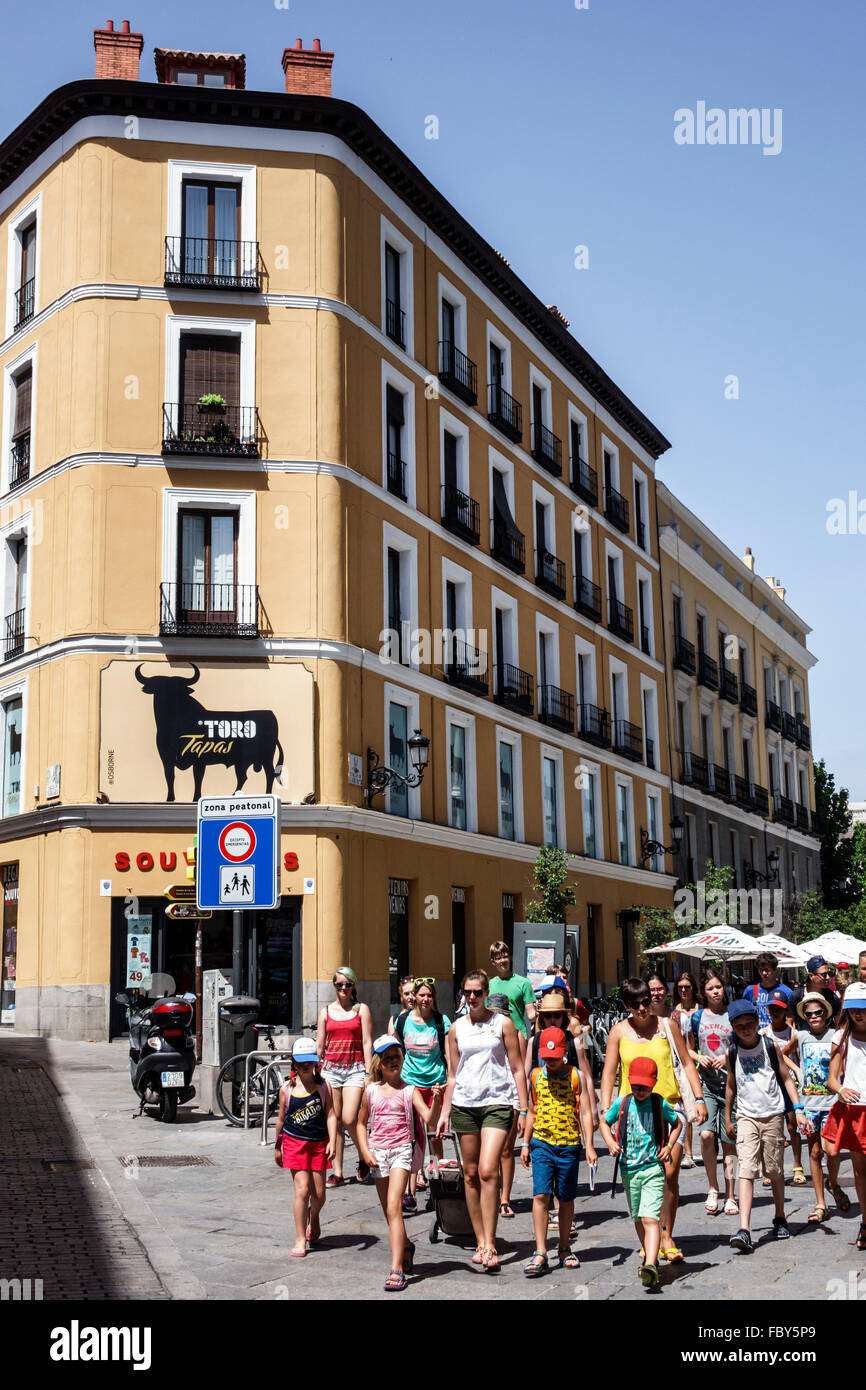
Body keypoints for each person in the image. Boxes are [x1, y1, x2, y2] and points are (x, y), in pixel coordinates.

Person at [601, 976, 707, 1264]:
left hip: (668, 1106)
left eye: (646, 1001)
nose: (643, 1008)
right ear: (626, 1004)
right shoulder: (618, 1032)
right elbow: (609, 1073)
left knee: (669, 1174)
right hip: (633, 1113)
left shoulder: (667, 1027)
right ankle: (652, 1235)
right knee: (641, 1177)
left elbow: (686, 1062)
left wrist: (698, 1098)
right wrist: (606, 1112)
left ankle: (666, 1234)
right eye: (636, 1004)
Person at [437, 969, 529, 1272]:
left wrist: (524, 1108)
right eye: (468, 993)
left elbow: (517, 1068)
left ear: (487, 993)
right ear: (462, 995)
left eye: (478, 992)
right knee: (471, 1173)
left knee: (489, 1170)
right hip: (465, 1104)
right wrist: (445, 1112)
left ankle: (490, 1242)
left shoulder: (502, 1024)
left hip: (498, 1103)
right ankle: (479, 1240)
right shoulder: (455, 1029)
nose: (473, 997)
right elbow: (452, 1074)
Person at [724, 999, 809, 1253]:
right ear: (733, 1028)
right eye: (740, 1027)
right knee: (746, 1169)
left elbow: (786, 1077)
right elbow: (731, 1086)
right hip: (746, 1116)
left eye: (750, 1024)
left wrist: (798, 1108)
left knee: (774, 1170)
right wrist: (728, 1117)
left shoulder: (770, 1045)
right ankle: (745, 1229)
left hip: (773, 1114)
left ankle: (780, 1216)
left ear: (757, 1023)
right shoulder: (732, 1051)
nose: (746, 1030)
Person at [356, 1035, 432, 1291]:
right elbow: (359, 1123)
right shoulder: (371, 1091)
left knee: (393, 1206)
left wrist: (439, 1098)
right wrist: (364, 1151)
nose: (392, 1062)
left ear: (402, 1059)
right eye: (387, 1058)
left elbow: (429, 1118)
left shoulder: (409, 1090)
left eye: (396, 1057)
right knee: (390, 1213)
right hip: (378, 1153)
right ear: (378, 1064)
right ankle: (407, 1247)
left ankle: (396, 1268)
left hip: (401, 1151)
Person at [600, 1056, 682, 1292]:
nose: (640, 1091)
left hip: (653, 1168)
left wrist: (668, 1147)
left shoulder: (659, 1103)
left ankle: (650, 1264)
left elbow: (677, 1124)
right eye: (636, 1086)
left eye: (645, 1087)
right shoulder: (623, 1103)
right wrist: (610, 1143)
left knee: (650, 1218)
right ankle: (650, 1254)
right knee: (638, 1217)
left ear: (653, 1083)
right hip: (628, 1170)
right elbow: (604, 1123)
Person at [521, 1026, 597, 1276]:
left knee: (565, 1199)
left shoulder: (576, 1076)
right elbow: (532, 1110)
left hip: (569, 1145)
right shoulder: (535, 1076)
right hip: (542, 1143)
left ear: (564, 1053)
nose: (550, 1062)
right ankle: (541, 1250)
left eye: (554, 1057)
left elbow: (585, 1111)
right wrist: (525, 1143)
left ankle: (564, 1247)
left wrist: (589, 1146)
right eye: (546, 1057)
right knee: (540, 1195)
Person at [781, 991, 847, 1223]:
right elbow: (783, 1054)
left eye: (818, 1013)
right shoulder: (800, 1036)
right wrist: (797, 1070)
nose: (814, 1017)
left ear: (826, 1014)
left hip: (832, 1102)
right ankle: (820, 1203)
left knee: (833, 1151)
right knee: (815, 1152)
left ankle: (833, 1182)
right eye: (809, 1014)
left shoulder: (836, 1036)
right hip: (808, 1103)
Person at [273, 1037, 338, 1258]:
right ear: (293, 1063)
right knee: (302, 1190)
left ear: (315, 1063)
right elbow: (281, 1120)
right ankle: (300, 1238)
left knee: (319, 1194)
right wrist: (277, 1147)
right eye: (299, 1062)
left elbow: (330, 1113)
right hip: (294, 1142)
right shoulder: (286, 1090)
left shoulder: (323, 1086)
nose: (304, 1066)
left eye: (308, 1062)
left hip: (319, 1143)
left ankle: (315, 1214)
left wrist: (332, 1140)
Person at [391, 976, 450, 1210]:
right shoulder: (403, 1020)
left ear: (433, 997)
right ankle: (409, 1192)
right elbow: (396, 1050)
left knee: (436, 1137)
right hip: (411, 1085)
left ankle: (438, 1187)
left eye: (429, 995)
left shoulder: (440, 1021)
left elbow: (448, 1053)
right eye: (421, 995)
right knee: (412, 1138)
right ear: (413, 996)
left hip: (435, 1085)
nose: (425, 999)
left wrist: (448, 1083)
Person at [315, 967, 373, 1187]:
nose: (344, 989)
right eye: (339, 985)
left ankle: (363, 1156)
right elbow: (320, 1044)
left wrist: (368, 1073)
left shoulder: (361, 1010)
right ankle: (337, 1172)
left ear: (353, 986)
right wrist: (313, 1069)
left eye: (348, 985)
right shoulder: (325, 1012)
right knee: (335, 1121)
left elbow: (367, 1042)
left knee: (349, 1118)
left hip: (354, 1069)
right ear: (334, 986)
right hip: (330, 1069)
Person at [688, 966, 738, 1215]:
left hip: (731, 1086)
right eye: (710, 989)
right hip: (707, 1084)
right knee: (706, 1135)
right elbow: (688, 1049)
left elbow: (744, 1042)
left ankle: (731, 1194)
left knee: (729, 1141)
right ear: (703, 992)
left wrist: (727, 1056)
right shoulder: (697, 1018)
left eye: (718, 987)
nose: (716, 992)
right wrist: (699, 1057)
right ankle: (712, 1187)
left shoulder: (733, 1014)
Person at [824, 980, 866, 1251]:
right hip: (855, 1111)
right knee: (861, 1171)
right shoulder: (841, 1037)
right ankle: (865, 1222)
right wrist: (841, 1088)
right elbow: (830, 1079)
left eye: (862, 1008)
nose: (858, 1013)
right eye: (853, 1009)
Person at [761, 989, 806, 1186]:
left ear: (785, 1010)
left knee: (792, 1126)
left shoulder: (793, 1033)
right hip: (771, 1086)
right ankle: (772, 1168)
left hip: (790, 1085)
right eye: (771, 1008)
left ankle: (797, 1166)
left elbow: (799, 1057)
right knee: (773, 1129)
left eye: (778, 1009)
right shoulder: (763, 1033)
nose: (774, 1012)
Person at [486, 992, 524, 1220]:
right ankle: (490, 1192)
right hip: (486, 1095)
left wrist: (524, 1107)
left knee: (507, 1149)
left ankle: (505, 1198)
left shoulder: (516, 1035)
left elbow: (521, 1070)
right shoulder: (480, 1032)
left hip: (510, 1094)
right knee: (487, 1151)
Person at [671, 970, 700, 1167]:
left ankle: (709, 1146)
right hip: (683, 1063)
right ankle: (687, 1152)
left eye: (687, 987)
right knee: (686, 1107)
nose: (683, 990)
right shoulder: (674, 1013)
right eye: (680, 987)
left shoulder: (701, 1010)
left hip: (703, 1061)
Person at [487, 941, 536, 1040]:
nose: (502, 961)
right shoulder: (489, 985)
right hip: (493, 1036)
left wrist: (542, 1011)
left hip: (518, 1036)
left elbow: (531, 1015)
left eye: (505, 957)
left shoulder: (523, 983)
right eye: (498, 958)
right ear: (493, 962)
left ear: (510, 958)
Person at [741, 952, 793, 1029]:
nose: (764, 973)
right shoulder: (751, 990)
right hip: (758, 1036)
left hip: (779, 1035)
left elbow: (791, 1017)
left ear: (775, 970)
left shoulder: (786, 991)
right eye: (761, 970)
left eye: (767, 970)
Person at [790, 956, 842, 1022]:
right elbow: (789, 1021)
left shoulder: (832, 997)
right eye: (824, 975)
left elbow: (839, 1023)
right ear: (811, 976)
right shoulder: (796, 996)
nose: (828, 977)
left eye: (829, 973)